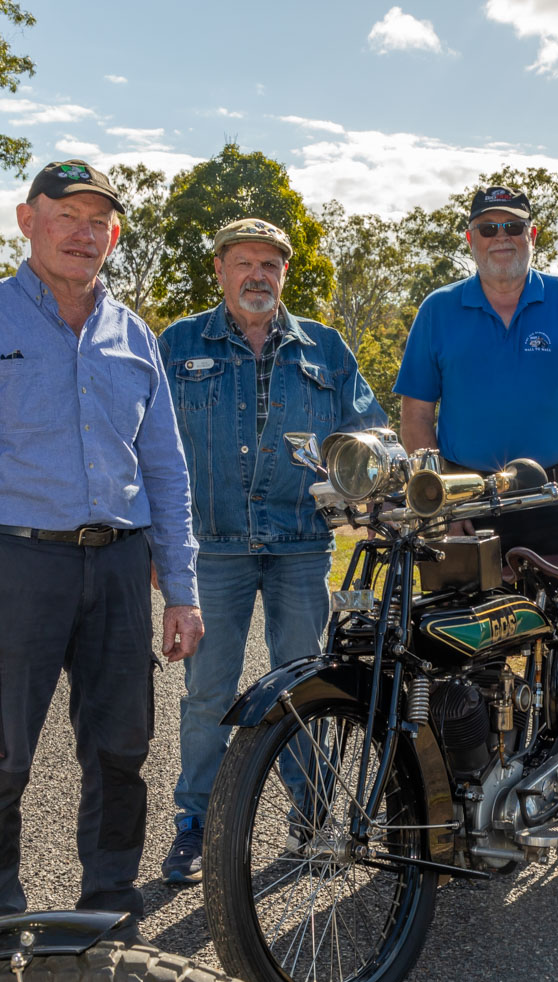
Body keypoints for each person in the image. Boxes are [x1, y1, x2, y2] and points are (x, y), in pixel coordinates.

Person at [0, 158, 205, 934]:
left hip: (117, 565)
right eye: (64, 214)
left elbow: (166, 469)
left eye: (97, 219)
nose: (82, 232)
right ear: (25, 219)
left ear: (114, 234)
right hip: (14, 568)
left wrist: (182, 586)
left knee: (121, 753)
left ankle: (108, 912)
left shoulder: (134, 335)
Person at [156, 218, 385, 883]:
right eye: (244, 262)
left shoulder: (326, 349)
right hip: (213, 548)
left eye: (270, 265)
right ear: (221, 270)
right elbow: (145, 444)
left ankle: (311, 822)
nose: (257, 275)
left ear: (284, 274)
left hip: (301, 546)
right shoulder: (176, 345)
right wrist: (158, 542)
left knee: (305, 687)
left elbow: (367, 431)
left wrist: (364, 491)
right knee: (208, 693)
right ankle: (196, 827)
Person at [395, 185, 558, 554]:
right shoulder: (437, 310)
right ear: (471, 240)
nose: (501, 237)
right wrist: (442, 501)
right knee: (463, 613)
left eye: (513, 228)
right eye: (488, 229)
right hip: (466, 505)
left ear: (531, 236)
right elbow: (417, 415)